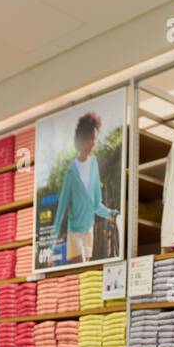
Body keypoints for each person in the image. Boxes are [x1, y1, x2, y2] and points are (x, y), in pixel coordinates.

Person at [52, 112, 117, 263]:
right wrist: (50, 245)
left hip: (89, 231)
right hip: (75, 232)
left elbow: (96, 204)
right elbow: (61, 209)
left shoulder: (94, 164)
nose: (94, 142)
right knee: (80, 267)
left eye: (95, 138)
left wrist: (111, 213)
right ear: (82, 139)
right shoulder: (70, 171)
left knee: (85, 275)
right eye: (91, 138)